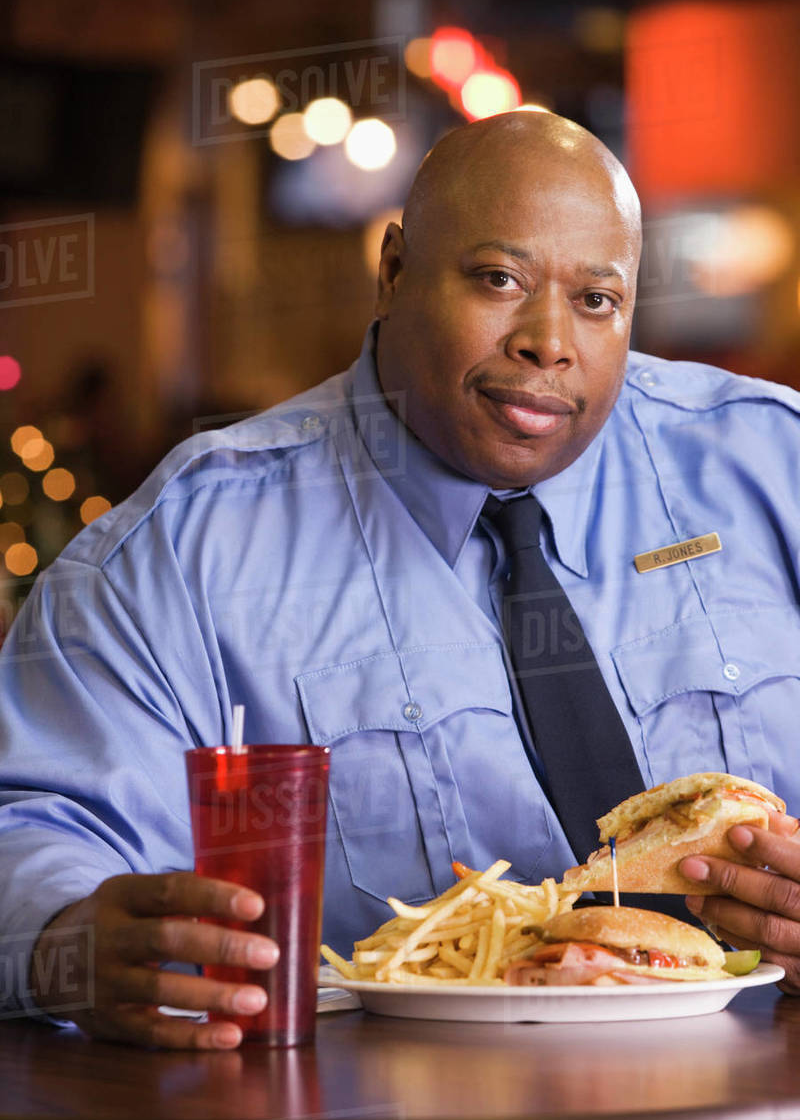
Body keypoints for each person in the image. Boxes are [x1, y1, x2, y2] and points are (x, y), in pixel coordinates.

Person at [2, 110, 800, 1053]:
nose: (549, 341)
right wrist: (61, 938)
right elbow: (35, 823)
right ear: (391, 272)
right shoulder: (183, 550)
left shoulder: (769, 464)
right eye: (499, 279)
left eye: (597, 300)